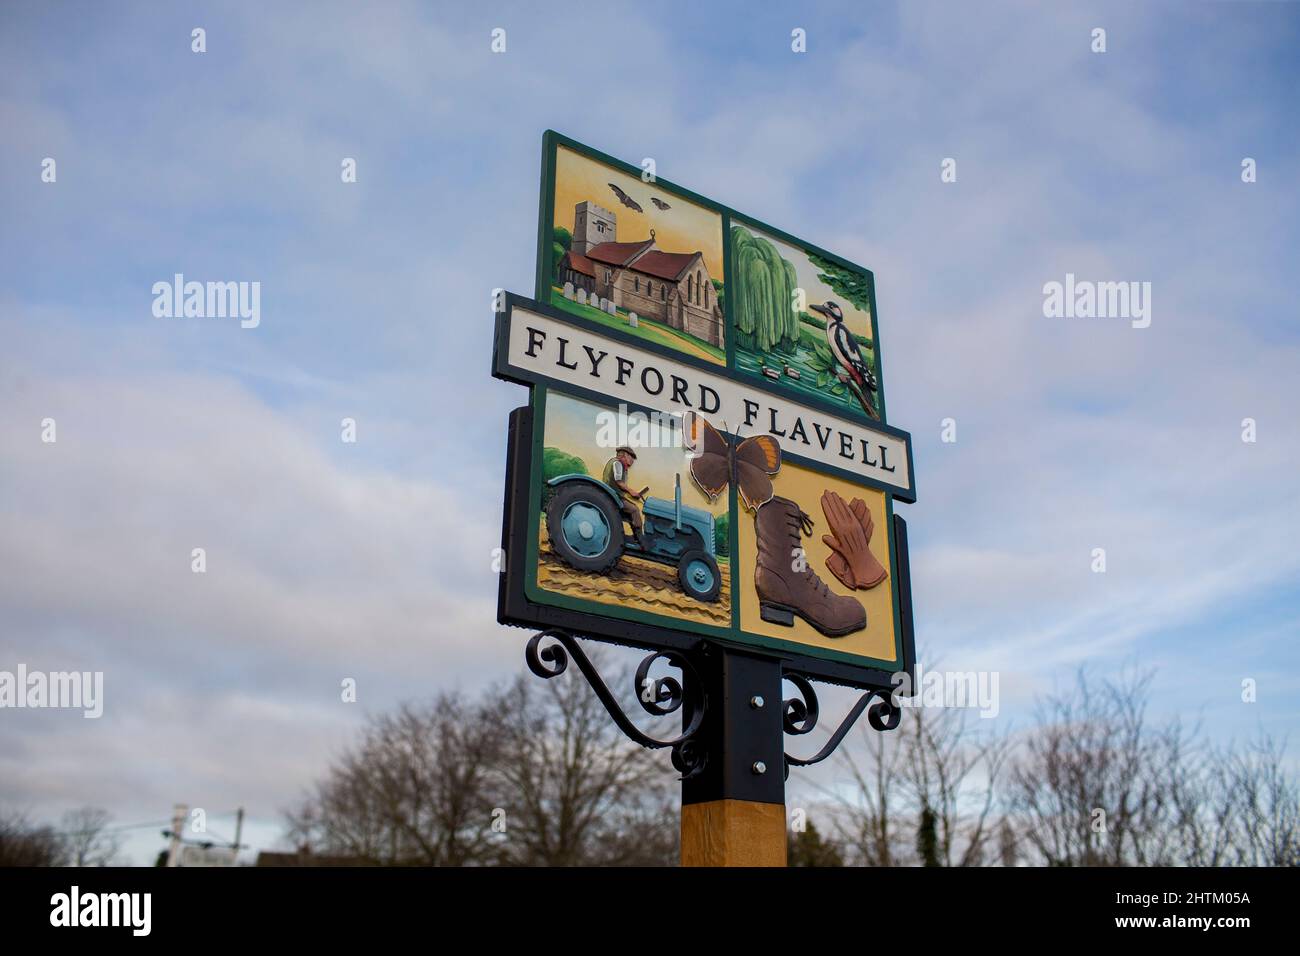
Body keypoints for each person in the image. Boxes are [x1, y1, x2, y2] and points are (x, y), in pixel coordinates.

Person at [602, 446, 649, 549]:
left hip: (614, 494)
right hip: (612, 496)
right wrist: (631, 491)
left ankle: (635, 537)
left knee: (631, 511)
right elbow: (619, 482)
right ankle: (640, 540)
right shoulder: (617, 463)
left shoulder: (620, 465)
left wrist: (634, 494)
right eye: (631, 457)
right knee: (634, 510)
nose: (632, 461)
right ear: (625, 455)